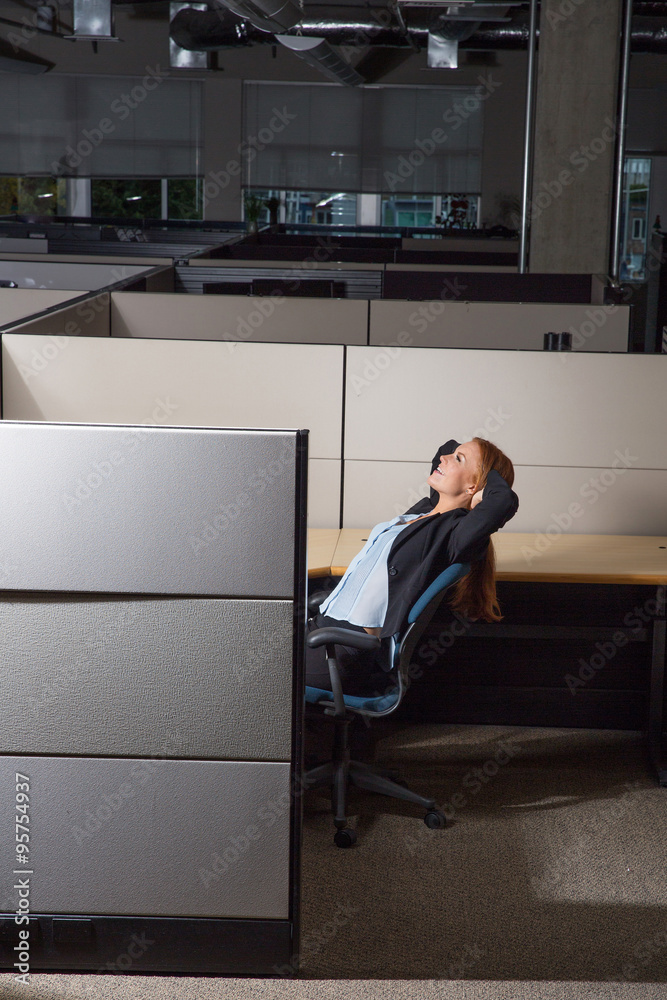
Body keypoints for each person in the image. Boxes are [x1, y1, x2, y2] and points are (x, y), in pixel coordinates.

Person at [305, 437, 518, 694]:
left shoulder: (454, 534)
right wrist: (468, 459)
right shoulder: (425, 512)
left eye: (458, 458)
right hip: (323, 627)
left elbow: (503, 500)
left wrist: (488, 478)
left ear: (474, 486)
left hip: (341, 650)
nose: (444, 458)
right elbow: (442, 450)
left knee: (262, 667)